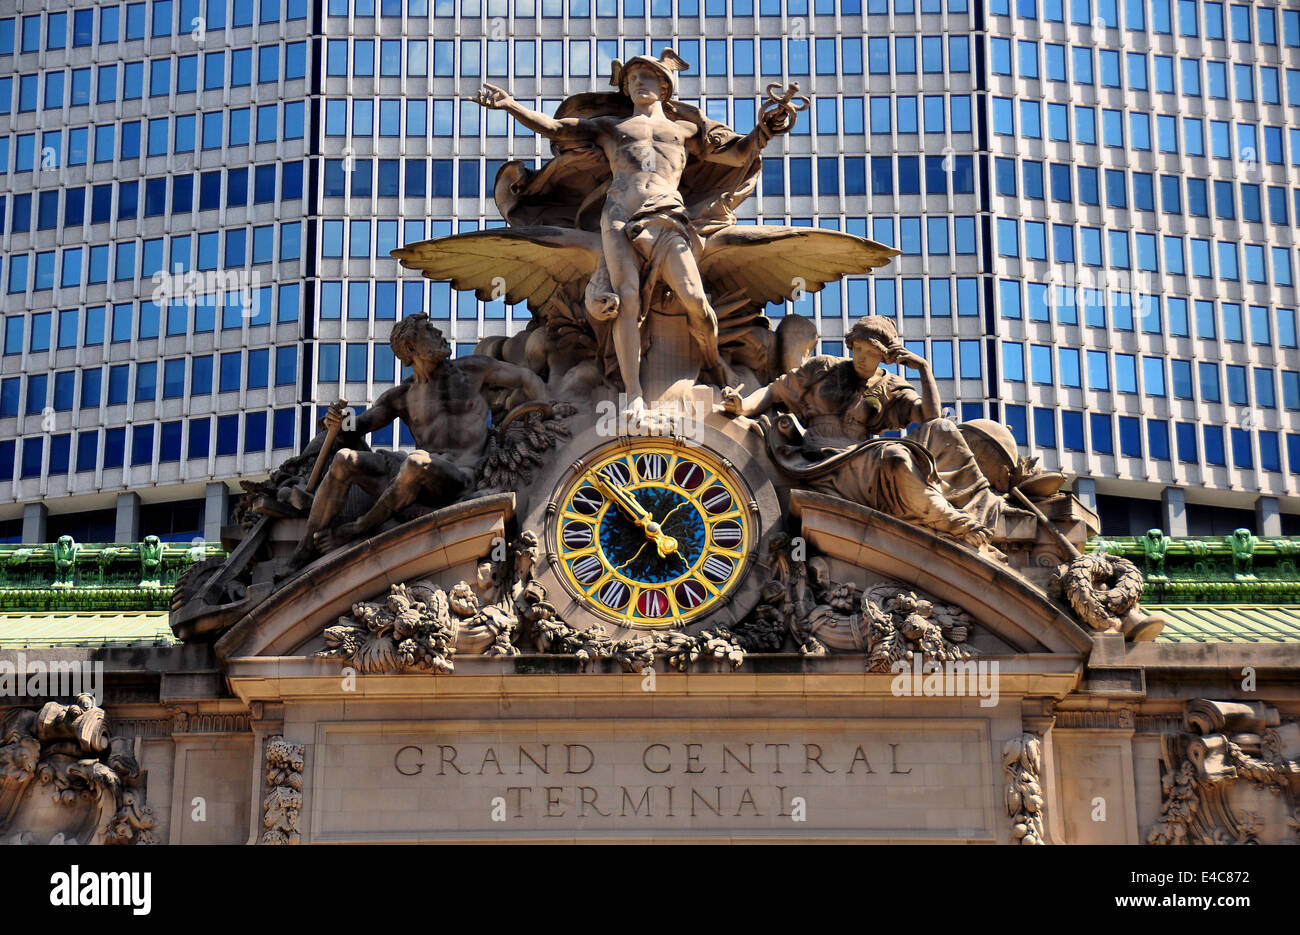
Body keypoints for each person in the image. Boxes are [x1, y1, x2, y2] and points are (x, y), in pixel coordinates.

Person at [474, 50, 774, 418]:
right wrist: (511, 106)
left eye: (646, 78)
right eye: (632, 80)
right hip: (618, 216)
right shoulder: (610, 128)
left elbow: (737, 154)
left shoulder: (685, 130)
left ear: (665, 87)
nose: (637, 84)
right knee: (625, 302)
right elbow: (557, 129)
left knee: (696, 300)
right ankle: (632, 392)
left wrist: (765, 130)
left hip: (665, 214)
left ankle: (713, 363)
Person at [721, 316, 1027, 550]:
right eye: (858, 349)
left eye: (870, 353)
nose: (862, 357)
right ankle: (947, 518)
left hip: (859, 460)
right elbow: (775, 391)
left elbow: (930, 418)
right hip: (810, 456)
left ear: (886, 356)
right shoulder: (824, 367)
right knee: (893, 455)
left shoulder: (890, 387)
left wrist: (922, 369)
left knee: (932, 434)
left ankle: (971, 509)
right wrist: (742, 406)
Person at [285, 314, 546, 570]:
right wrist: (338, 422)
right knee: (344, 460)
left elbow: (525, 377)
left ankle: (357, 527)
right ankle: (305, 549)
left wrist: (551, 407)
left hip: (463, 477)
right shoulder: (402, 396)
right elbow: (356, 428)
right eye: (430, 332)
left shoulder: (472, 370)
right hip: (417, 482)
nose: (440, 335)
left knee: (415, 462)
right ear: (411, 348)